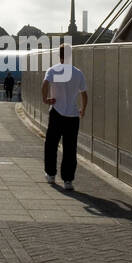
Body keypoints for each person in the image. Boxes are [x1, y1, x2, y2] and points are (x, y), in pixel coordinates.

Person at [41, 44, 87, 190]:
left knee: (51, 144)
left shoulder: (53, 70)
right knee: (70, 148)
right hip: (73, 115)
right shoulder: (78, 73)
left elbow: (44, 84)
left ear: (60, 56)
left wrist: (45, 98)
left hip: (57, 112)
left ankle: (51, 174)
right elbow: (84, 94)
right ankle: (68, 180)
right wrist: (83, 109)